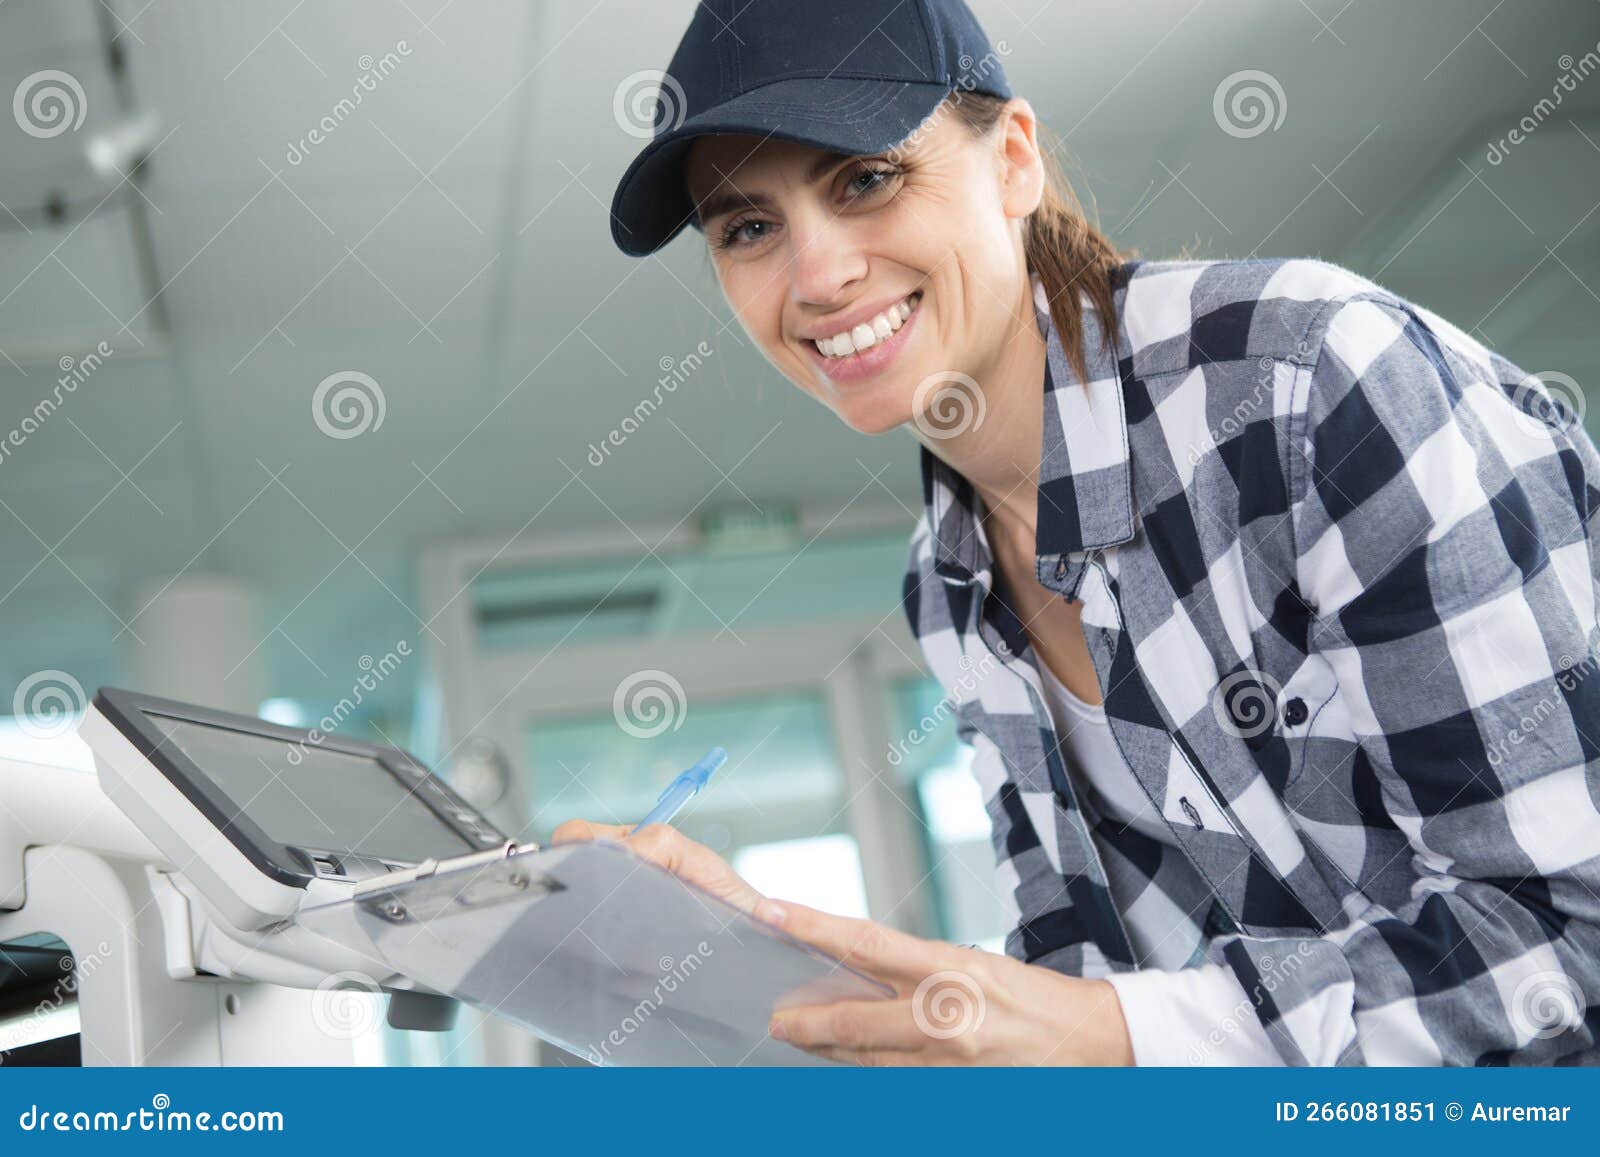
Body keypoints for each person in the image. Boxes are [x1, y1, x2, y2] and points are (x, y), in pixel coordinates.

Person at [555, 0, 1600, 1066]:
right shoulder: (946, 587)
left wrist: (1112, 1034)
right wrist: (770, 964)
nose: (817, 278)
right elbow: (1079, 1002)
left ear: (1013, 160)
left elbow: (1573, 937)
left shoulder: (1305, 387)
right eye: (747, 228)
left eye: (865, 179)